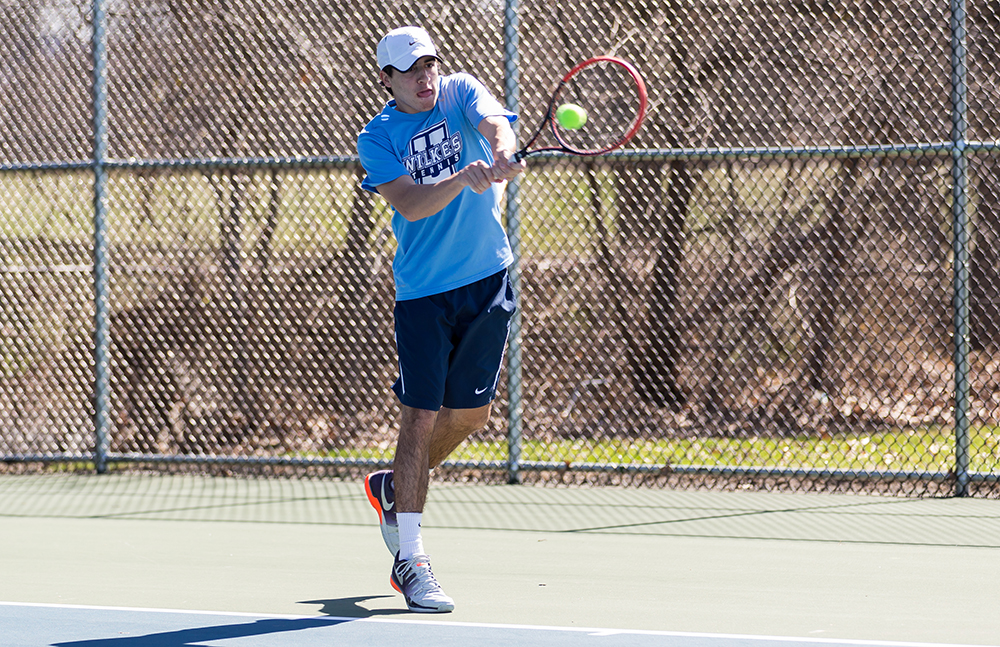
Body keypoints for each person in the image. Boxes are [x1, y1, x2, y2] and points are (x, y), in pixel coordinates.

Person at [356, 25, 525, 613]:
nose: (425, 77)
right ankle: (411, 558)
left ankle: (392, 489)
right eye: (411, 70)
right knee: (421, 416)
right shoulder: (377, 137)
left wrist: (500, 150)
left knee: (471, 415)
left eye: (429, 64)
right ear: (388, 80)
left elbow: (495, 123)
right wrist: (462, 177)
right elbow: (409, 203)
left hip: (489, 280)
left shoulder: (459, 92)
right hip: (424, 295)